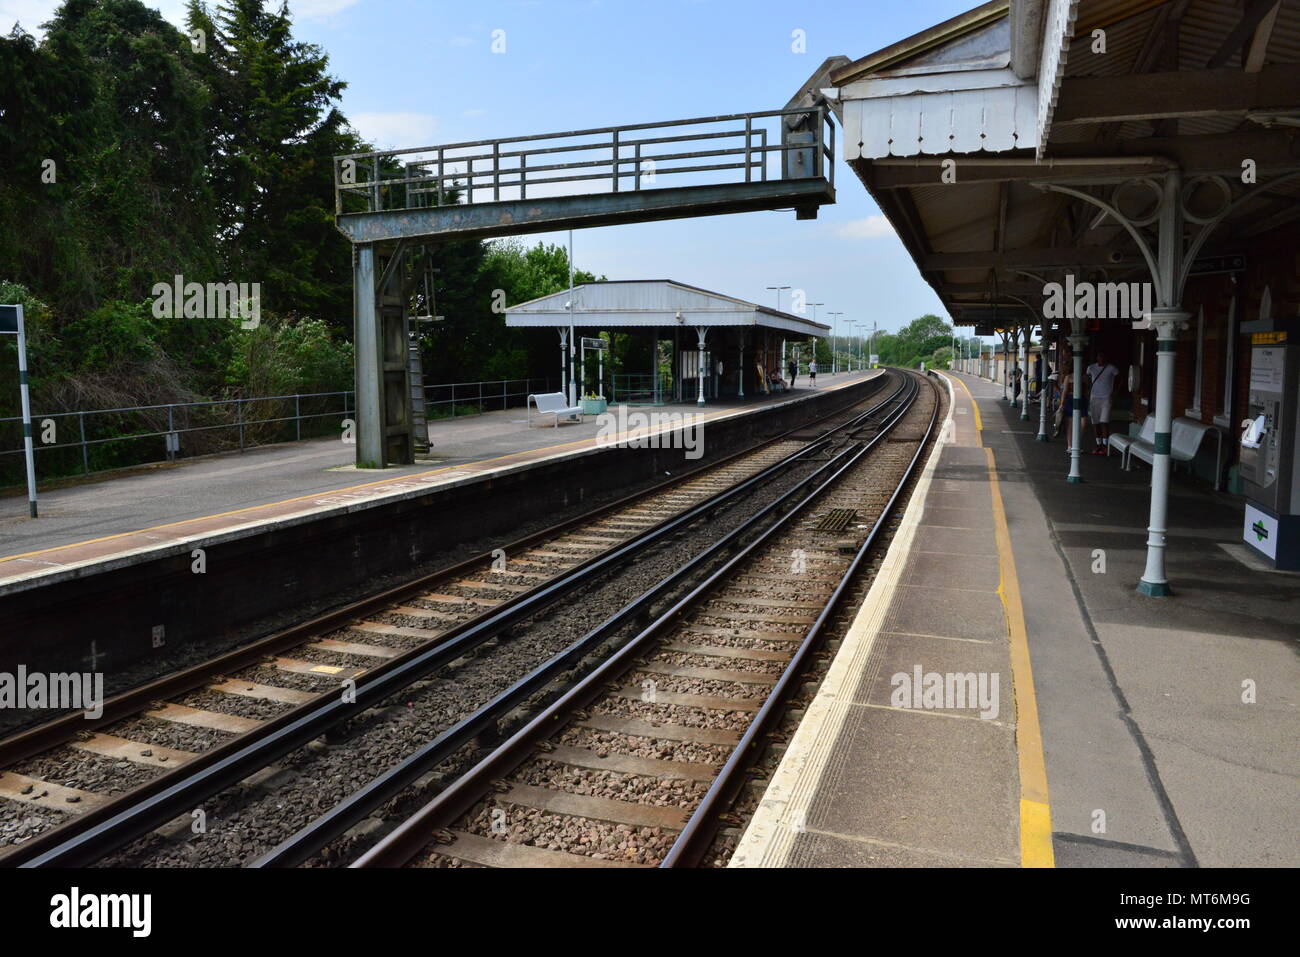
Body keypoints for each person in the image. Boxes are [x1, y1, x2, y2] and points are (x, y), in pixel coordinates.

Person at [1086, 351, 1120, 454]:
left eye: (1103, 356)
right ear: (1097, 357)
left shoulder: (1111, 368)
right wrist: (1088, 390)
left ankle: (1105, 445)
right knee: (1095, 422)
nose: (1101, 358)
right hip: (1094, 398)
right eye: (1099, 356)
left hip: (1106, 398)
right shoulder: (1091, 368)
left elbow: (1120, 379)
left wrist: (1115, 392)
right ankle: (1098, 444)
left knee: (1104, 422)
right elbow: (1087, 379)